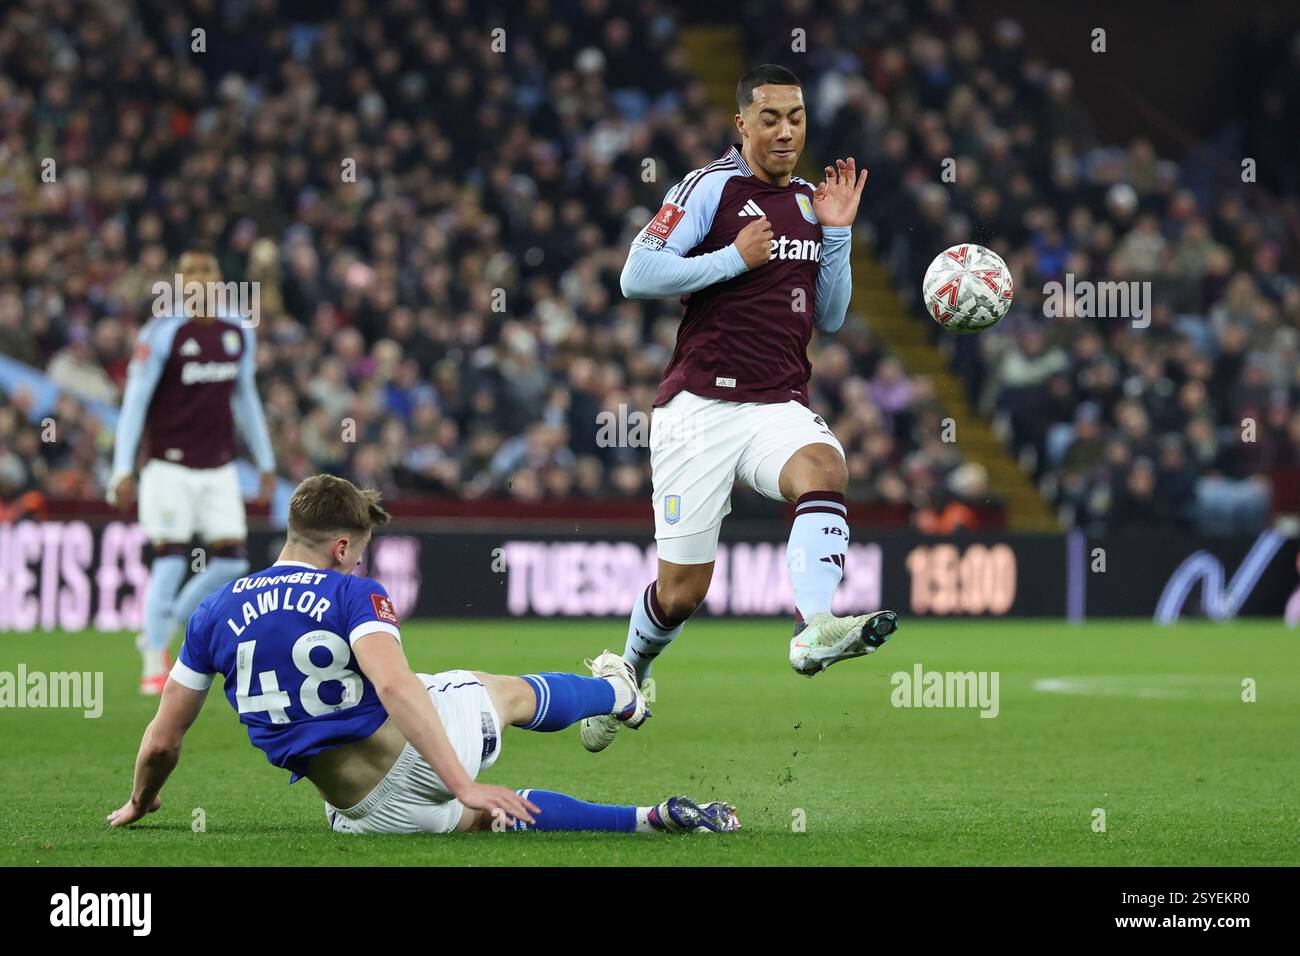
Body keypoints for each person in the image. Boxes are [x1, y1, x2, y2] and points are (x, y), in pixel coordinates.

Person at [107, 474, 738, 835]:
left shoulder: (212, 612)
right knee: (501, 692)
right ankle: (620, 692)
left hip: (361, 810)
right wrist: (462, 782)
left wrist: (140, 800)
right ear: (340, 547)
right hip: (426, 758)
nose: (360, 559)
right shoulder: (351, 591)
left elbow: (163, 740)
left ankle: (650, 820)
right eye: (360, 548)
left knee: (496, 818)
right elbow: (396, 688)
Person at [580, 64, 899, 754]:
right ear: (743, 125)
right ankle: (627, 672)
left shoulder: (816, 202)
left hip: (776, 404)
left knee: (825, 465)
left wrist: (838, 234)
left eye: (796, 117)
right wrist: (731, 258)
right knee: (684, 592)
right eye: (771, 118)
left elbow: (834, 317)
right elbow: (637, 274)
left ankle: (814, 629)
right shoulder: (710, 188)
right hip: (698, 408)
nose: (786, 130)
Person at [108, 251, 278, 694]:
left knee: (232, 561)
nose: (201, 280)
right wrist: (122, 468)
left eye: (208, 271)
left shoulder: (237, 330)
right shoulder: (162, 332)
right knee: (169, 558)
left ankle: (163, 626)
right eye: (192, 273)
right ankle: (152, 664)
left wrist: (266, 462)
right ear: (180, 282)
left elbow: (246, 398)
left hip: (219, 468)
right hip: (168, 465)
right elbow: (135, 402)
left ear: (220, 279)